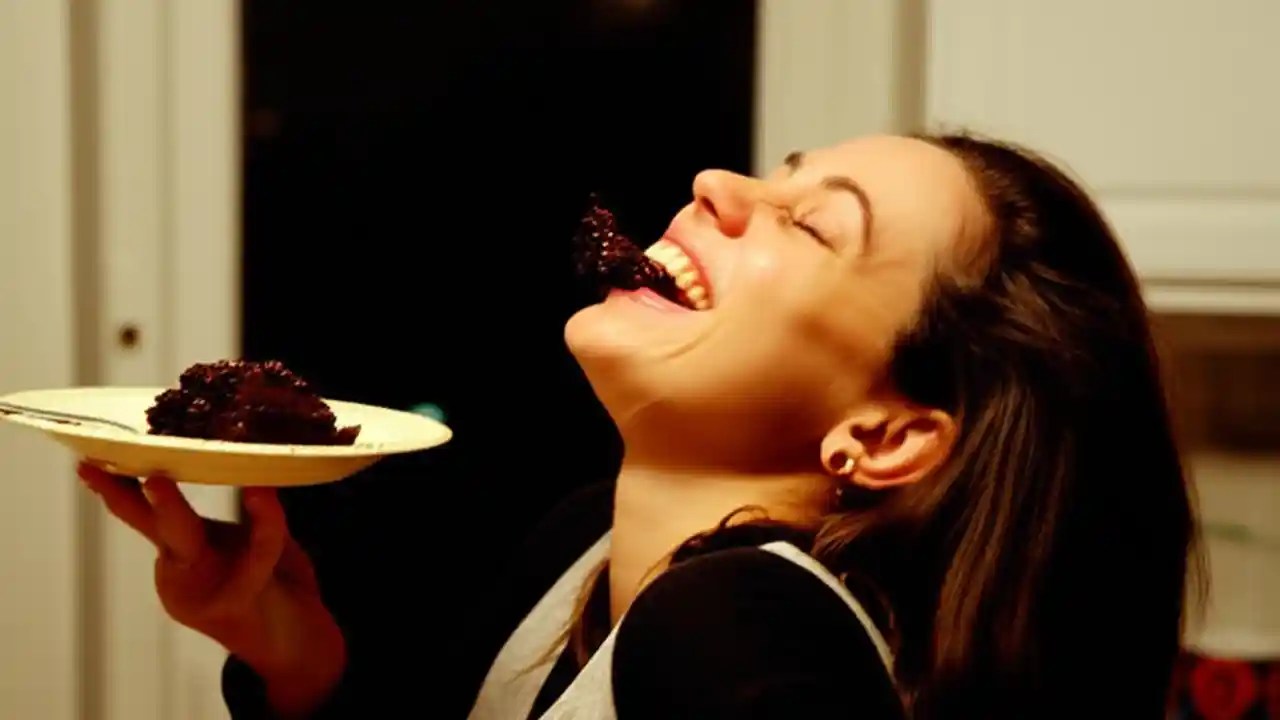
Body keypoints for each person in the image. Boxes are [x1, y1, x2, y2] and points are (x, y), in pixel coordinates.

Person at [78, 132, 1200, 719]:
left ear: (886, 433)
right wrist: (301, 671)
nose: (717, 182)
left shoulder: (736, 622)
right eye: (778, 174)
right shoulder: (584, 558)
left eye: (809, 225)